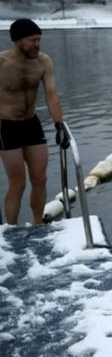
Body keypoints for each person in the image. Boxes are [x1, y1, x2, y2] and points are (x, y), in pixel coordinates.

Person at [0, 19, 69, 225]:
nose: (37, 44)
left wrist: (59, 125)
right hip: (6, 126)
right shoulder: (1, 63)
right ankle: (11, 229)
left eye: (39, 39)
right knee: (18, 183)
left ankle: (38, 225)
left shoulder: (43, 61)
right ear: (18, 41)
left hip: (31, 123)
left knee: (40, 179)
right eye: (32, 40)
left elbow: (51, 95)